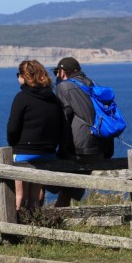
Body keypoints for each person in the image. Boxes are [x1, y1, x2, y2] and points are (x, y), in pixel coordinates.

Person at [52, 57, 114, 207]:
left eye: (56, 72)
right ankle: (56, 219)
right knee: (68, 189)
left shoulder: (64, 87)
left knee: (42, 178)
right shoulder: (93, 85)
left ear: (62, 72)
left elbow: (64, 117)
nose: (56, 76)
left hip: (78, 149)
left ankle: (44, 222)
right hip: (100, 147)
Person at [7, 60, 66, 211]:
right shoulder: (53, 98)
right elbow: (62, 127)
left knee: (19, 196)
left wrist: (14, 145)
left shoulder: (22, 97)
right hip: (48, 153)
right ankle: (36, 220)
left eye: (18, 75)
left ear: (24, 76)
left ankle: (15, 225)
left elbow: (12, 128)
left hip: (24, 153)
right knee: (34, 197)